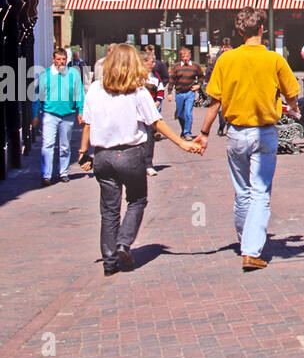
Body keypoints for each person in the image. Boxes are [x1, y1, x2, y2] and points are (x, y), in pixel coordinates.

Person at [78, 44, 202, 275]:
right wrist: (182, 143)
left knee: (109, 209)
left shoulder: (95, 89)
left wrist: (83, 151)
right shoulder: (138, 91)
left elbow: (87, 123)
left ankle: (109, 261)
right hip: (130, 154)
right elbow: (156, 122)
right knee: (136, 200)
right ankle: (123, 243)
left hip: (103, 156)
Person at [193, 8, 301, 272]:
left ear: (239, 31)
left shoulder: (226, 60)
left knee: (242, 191)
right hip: (264, 131)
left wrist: (204, 133)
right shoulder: (274, 59)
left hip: (235, 132)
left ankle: (245, 240)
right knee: (260, 192)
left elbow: (214, 102)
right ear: (262, 29)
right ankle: (251, 251)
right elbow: (291, 93)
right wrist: (294, 108)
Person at [33, 47, 84, 185]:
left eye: (64, 59)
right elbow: (37, 95)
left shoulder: (73, 73)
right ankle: (46, 175)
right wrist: (35, 113)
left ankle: (63, 172)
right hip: (50, 114)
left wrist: (80, 110)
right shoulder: (46, 75)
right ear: (53, 60)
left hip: (67, 114)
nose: (61, 62)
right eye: (59, 59)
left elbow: (79, 93)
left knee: (65, 145)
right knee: (47, 144)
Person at [168, 46, 202, 140]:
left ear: (190, 56)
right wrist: (169, 92)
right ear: (181, 57)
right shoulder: (176, 67)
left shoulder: (195, 66)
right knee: (180, 114)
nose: (185, 58)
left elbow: (201, 77)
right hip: (179, 93)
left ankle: (187, 133)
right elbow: (172, 79)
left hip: (190, 93)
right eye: (183, 56)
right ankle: (183, 129)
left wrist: (198, 85)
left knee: (188, 113)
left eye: (187, 56)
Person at [141, 48, 165, 177]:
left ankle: (148, 164)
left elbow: (160, 91)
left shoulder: (155, 77)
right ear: (144, 62)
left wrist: (157, 102)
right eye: (151, 61)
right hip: (138, 115)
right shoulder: (136, 77)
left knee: (150, 138)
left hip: (150, 112)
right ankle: (139, 164)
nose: (154, 64)